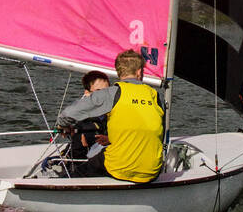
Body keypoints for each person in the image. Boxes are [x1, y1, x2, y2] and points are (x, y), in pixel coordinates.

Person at [56, 51, 164, 182]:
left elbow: (68, 114)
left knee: (75, 174)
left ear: (119, 72)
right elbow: (151, 130)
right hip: (152, 171)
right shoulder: (154, 95)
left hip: (121, 168)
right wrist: (111, 138)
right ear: (139, 72)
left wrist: (62, 125)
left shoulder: (112, 93)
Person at [66, 71, 110, 161]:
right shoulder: (80, 120)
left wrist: (110, 140)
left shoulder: (115, 114)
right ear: (87, 93)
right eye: (98, 91)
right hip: (83, 166)